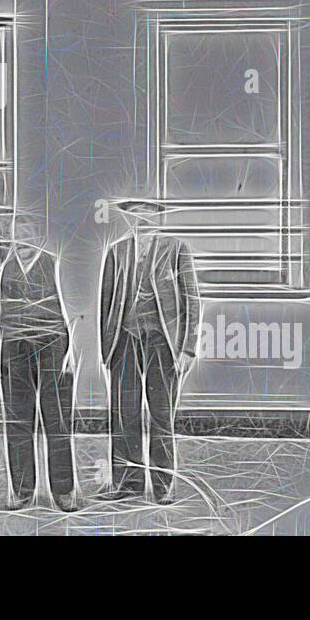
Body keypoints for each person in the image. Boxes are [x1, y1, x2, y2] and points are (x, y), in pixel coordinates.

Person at [98, 206, 201, 504]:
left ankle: (163, 484)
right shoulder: (116, 251)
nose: (142, 220)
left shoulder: (176, 248)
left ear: (157, 218)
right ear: (130, 219)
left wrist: (188, 348)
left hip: (163, 342)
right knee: (124, 413)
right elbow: (105, 302)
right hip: (124, 341)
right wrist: (107, 348)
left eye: (148, 214)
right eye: (136, 214)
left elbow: (192, 300)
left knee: (161, 415)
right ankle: (128, 482)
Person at [0, 221, 78, 512]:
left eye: (27, 237)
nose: (21, 243)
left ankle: (63, 490)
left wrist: (72, 352)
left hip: (52, 348)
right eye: (16, 238)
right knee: (17, 421)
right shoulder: (3, 272)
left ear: (37, 238)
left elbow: (72, 310)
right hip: (14, 349)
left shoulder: (56, 265)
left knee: (56, 419)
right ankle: (23, 490)